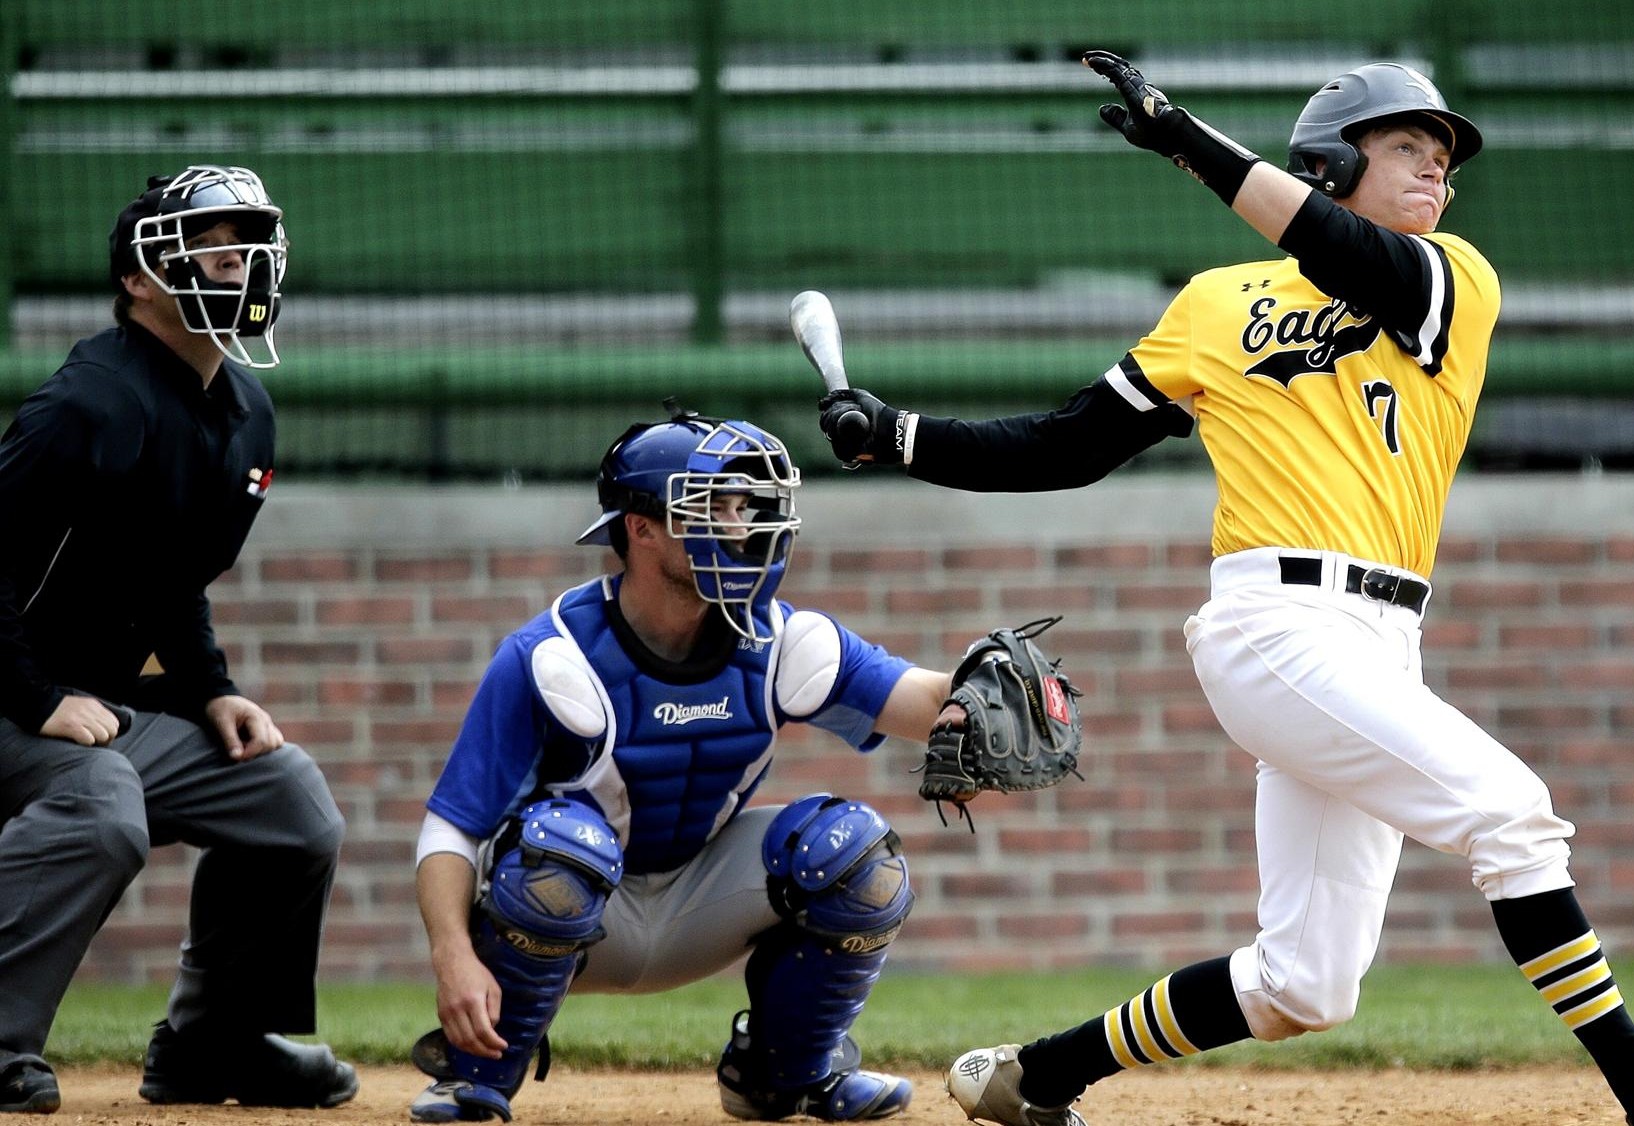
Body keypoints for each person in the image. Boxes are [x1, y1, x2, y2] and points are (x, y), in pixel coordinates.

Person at [817, 55, 1634, 1126]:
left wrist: (1187, 140)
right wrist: (897, 435)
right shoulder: (1216, 303)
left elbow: (1333, 244)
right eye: (1407, 147)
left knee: (1303, 983)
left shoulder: (1447, 279)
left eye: (1442, 158)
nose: (1435, 174)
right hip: (1271, 622)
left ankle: (1033, 1078)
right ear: (1329, 161)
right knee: (1511, 816)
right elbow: (1068, 443)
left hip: (1380, 637)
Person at [409, 408, 980, 1124]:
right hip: (573, 912)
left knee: (858, 853)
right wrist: (452, 956)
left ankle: (787, 1074)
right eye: (713, 507)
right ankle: (477, 1073)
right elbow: (450, 832)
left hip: (697, 900)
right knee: (560, 847)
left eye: (745, 506)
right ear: (640, 528)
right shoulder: (550, 656)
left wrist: (981, 693)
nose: (740, 526)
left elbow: (920, 699)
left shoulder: (777, 639)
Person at [0, 165, 354, 1115]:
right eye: (209, 238)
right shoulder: (87, 405)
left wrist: (209, 688)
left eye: (248, 236)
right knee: (102, 799)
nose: (236, 255)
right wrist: (38, 699)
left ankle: (214, 1047)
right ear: (140, 280)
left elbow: (169, 582)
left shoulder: (246, 411)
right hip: (20, 700)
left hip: (94, 710)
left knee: (289, 799)